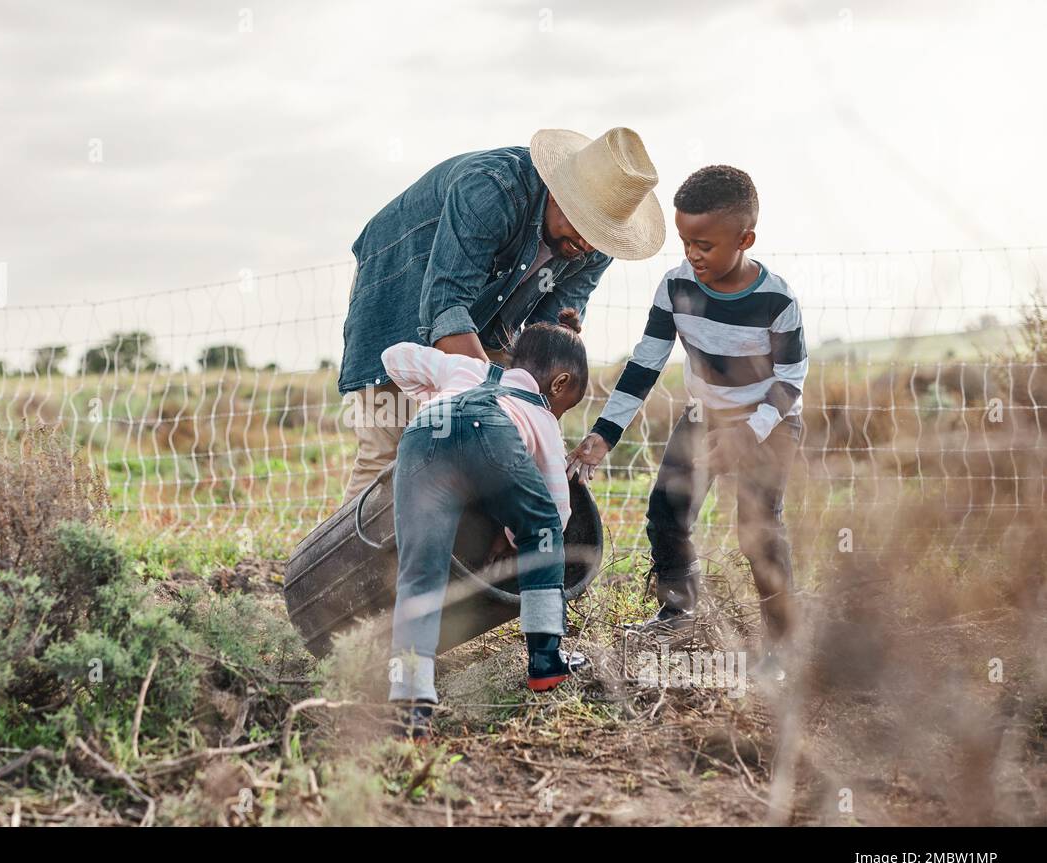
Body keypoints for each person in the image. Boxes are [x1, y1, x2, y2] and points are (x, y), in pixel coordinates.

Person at [566, 165, 808, 680]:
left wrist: (747, 434)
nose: (692, 254)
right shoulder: (675, 287)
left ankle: (783, 644)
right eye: (684, 241)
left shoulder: (778, 299)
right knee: (666, 512)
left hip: (769, 420)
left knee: (757, 532)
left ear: (745, 240)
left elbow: (791, 380)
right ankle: (680, 610)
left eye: (705, 244)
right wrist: (604, 435)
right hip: (705, 415)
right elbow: (645, 364)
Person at [337, 127, 665, 504]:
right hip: (398, 291)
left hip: (487, 323)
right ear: (560, 193)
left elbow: (545, 341)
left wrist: (534, 426)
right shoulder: (492, 189)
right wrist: (498, 405)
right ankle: (336, 564)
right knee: (388, 452)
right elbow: (446, 303)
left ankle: (451, 561)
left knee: (473, 457)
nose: (588, 244)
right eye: (585, 225)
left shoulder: (593, 248)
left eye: (601, 233)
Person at [381, 309, 590, 739]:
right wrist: (515, 534)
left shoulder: (467, 368)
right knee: (545, 528)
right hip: (493, 433)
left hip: (423, 437)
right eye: (565, 407)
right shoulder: (542, 419)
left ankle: (410, 702)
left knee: (420, 571)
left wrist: (429, 393)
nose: (559, 414)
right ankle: (546, 660)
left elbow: (394, 356)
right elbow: (556, 510)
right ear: (560, 385)